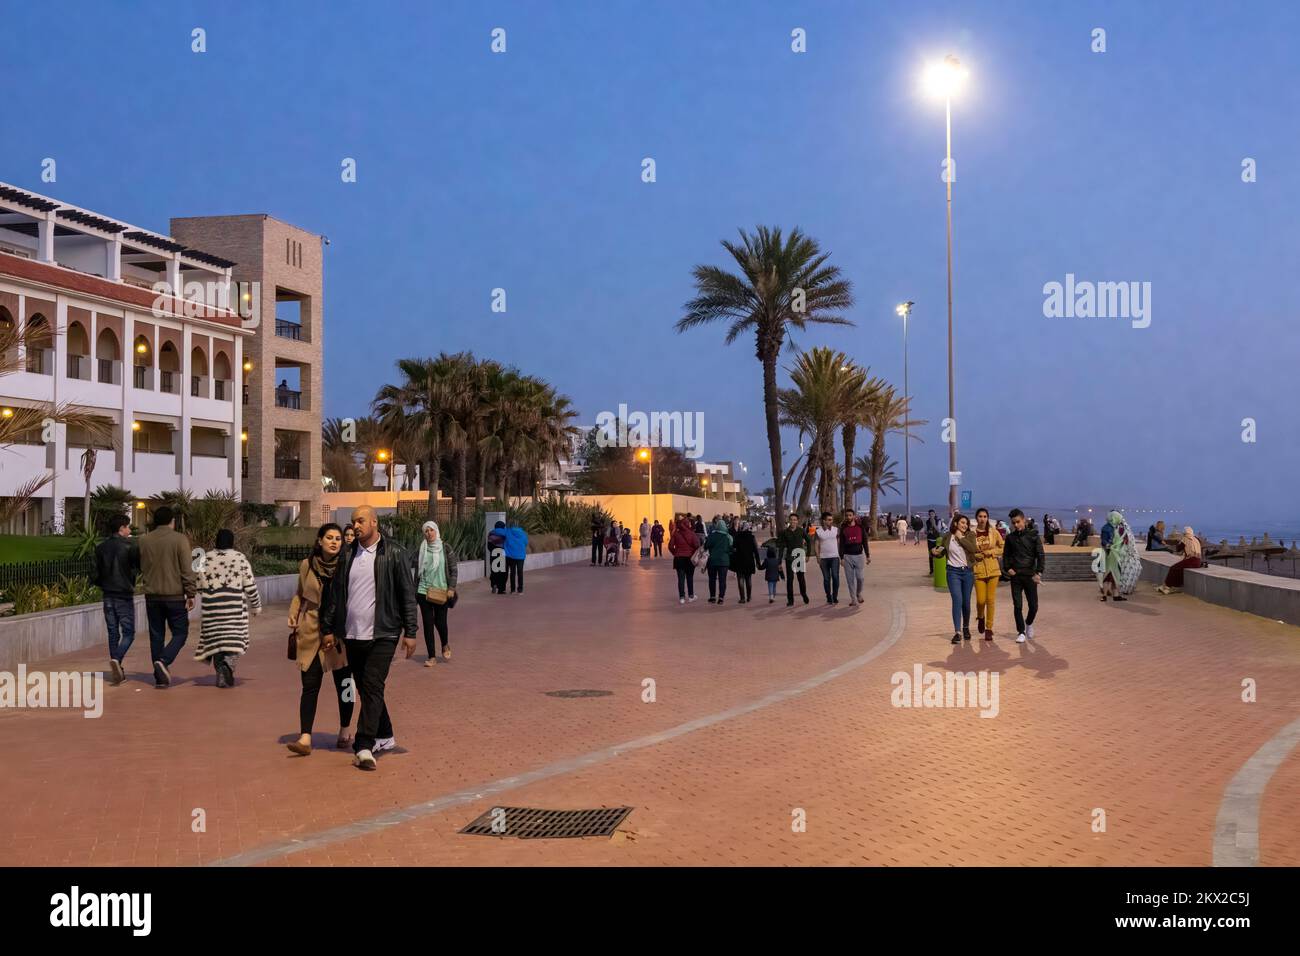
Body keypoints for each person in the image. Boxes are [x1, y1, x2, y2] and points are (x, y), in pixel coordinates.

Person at [319, 505, 418, 772]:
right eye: (353, 522)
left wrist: (411, 632)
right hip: (353, 634)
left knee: (372, 685)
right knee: (366, 688)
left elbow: (407, 595)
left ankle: (364, 745)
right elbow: (335, 595)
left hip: (383, 633)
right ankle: (385, 735)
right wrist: (328, 628)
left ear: (374, 522)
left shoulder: (394, 553)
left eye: (361, 521)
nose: (356, 526)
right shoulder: (348, 555)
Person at [287, 523, 354, 756]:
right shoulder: (306, 565)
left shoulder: (347, 566)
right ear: (320, 541)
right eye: (329, 537)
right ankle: (305, 737)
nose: (335, 541)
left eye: (338, 538)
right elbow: (299, 594)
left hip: (339, 632)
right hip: (311, 629)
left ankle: (345, 729)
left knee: (345, 684)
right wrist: (293, 613)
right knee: (309, 685)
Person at [193, 528, 261, 687]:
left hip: (211, 608)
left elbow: (198, 584)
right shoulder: (240, 558)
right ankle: (227, 666)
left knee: (217, 640)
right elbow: (250, 584)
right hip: (234, 607)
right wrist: (256, 605)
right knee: (234, 640)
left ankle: (220, 670)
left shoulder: (204, 558)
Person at [138, 506, 197, 688]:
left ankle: (159, 677)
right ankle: (164, 661)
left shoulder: (144, 540)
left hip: (152, 595)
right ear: (172, 521)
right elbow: (187, 569)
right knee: (180, 632)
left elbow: (142, 565)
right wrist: (191, 593)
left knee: (156, 635)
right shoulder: (179, 540)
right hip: (174, 595)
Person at [91, 513, 139, 685]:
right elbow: (136, 568)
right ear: (121, 529)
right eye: (127, 527)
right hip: (123, 595)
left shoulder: (100, 548)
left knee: (113, 632)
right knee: (129, 633)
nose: (129, 530)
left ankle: (116, 666)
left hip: (108, 594)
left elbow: (94, 574)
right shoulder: (128, 546)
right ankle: (117, 660)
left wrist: (103, 583)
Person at [412, 520, 458, 664]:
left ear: (436, 531)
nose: (429, 533)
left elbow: (453, 569)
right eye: (426, 531)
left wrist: (451, 588)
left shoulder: (445, 548)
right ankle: (431, 656)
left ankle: (445, 644)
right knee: (427, 624)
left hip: (441, 591)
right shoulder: (421, 549)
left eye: (431, 530)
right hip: (423, 591)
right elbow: (415, 568)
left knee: (440, 622)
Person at [932, 514, 977, 643]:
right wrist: (935, 553)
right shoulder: (947, 537)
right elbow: (942, 553)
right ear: (956, 523)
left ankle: (966, 627)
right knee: (957, 600)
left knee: (966, 603)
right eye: (962, 523)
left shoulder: (970, 535)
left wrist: (961, 537)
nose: (965, 525)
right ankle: (957, 632)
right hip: (953, 572)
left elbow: (973, 549)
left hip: (967, 572)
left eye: (966, 524)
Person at [1003, 509, 1045, 643]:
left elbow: (1040, 555)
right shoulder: (1010, 538)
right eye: (1013, 523)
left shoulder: (1033, 535)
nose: (1016, 525)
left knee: (1034, 606)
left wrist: (1039, 572)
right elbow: (1006, 555)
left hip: (1030, 575)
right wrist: (1008, 568)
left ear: (1024, 520)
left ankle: (1029, 623)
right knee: (1017, 605)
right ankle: (1020, 632)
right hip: (1016, 576)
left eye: (1018, 522)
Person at [972, 508, 1004, 641]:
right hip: (978, 570)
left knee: (990, 600)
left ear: (987, 518)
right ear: (976, 518)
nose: (982, 519)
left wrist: (991, 552)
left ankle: (989, 628)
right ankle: (980, 616)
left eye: (985, 516)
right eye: (980, 516)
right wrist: (975, 555)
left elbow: (1002, 547)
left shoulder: (993, 532)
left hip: (993, 570)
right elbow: (967, 550)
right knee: (980, 600)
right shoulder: (971, 534)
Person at [1098, 510, 1141, 602]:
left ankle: (1115, 595)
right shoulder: (1107, 528)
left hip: (1117, 554)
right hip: (1111, 554)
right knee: (1109, 575)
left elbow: (1124, 540)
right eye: (1118, 517)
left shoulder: (1117, 528)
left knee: (1115, 576)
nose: (1120, 519)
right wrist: (1109, 547)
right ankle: (1105, 595)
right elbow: (1104, 541)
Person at [776, 513, 810, 606]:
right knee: (790, 580)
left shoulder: (801, 531)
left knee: (801, 579)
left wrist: (808, 554)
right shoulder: (785, 532)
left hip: (799, 557)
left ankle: (804, 594)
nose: (793, 521)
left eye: (795, 520)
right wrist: (779, 562)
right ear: (789, 521)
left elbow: (809, 541)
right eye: (791, 519)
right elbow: (782, 547)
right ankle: (790, 600)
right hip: (789, 558)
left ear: (797, 521)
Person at [1156, 526, 1203, 594]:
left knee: (1173, 568)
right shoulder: (1196, 539)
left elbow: (1178, 549)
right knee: (1179, 569)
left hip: (1191, 560)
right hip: (1198, 561)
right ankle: (1176, 586)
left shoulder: (1185, 539)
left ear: (1185, 533)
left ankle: (1167, 586)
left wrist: (1179, 541)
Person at [839, 509, 869, 606]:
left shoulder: (860, 527)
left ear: (854, 516)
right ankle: (853, 599)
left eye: (850, 515)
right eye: (847, 515)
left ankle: (858, 593)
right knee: (850, 580)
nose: (848, 517)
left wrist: (868, 555)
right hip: (847, 557)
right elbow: (841, 544)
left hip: (859, 556)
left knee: (860, 578)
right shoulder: (843, 528)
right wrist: (842, 557)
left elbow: (865, 541)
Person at [668, 516, 700, 604]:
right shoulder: (692, 533)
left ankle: (681, 597)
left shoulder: (676, 534)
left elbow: (670, 546)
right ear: (687, 524)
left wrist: (676, 553)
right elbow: (697, 545)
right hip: (689, 558)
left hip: (679, 559)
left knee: (681, 579)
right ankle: (691, 596)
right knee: (690, 577)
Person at [815, 512, 842, 605]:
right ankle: (828, 596)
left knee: (835, 576)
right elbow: (816, 544)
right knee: (826, 578)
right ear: (824, 521)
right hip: (824, 558)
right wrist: (818, 557)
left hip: (835, 557)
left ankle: (835, 596)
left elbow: (839, 543)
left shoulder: (836, 530)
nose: (831, 521)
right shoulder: (818, 531)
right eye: (829, 520)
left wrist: (841, 555)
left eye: (832, 519)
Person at [730, 521, 760, 604]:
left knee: (740, 579)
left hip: (739, 561)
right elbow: (756, 551)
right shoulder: (752, 537)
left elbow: (733, 548)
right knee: (748, 579)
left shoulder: (737, 536)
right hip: (749, 561)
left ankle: (742, 598)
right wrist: (758, 562)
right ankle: (749, 597)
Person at [704, 517, 733, 604]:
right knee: (722, 580)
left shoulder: (712, 535)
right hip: (724, 561)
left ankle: (712, 597)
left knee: (712, 579)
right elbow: (730, 549)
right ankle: (721, 597)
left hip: (712, 561)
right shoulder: (728, 537)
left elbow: (706, 546)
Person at [505, 519, 529, 592]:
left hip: (511, 556)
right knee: (520, 572)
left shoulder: (508, 532)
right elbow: (526, 543)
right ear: (518, 525)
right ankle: (520, 589)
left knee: (512, 572)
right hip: (521, 556)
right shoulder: (523, 533)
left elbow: (504, 541)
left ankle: (512, 589)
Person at [487, 520, 508, 594]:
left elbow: (489, 546)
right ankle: (501, 589)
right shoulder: (506, 533)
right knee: (502, 572)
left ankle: (494, 584)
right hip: (502, 553)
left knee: (494, 570)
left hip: (494, 553)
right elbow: (507, 544)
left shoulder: (491, 533)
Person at [925, 510, 941, 574]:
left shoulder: (938, 521)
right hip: (930, 539)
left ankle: (938, 569)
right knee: (931, 555)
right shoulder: (927, 522)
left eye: (932, 514)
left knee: (938, 554)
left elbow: (939, 530)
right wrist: (927, 531)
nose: (931, 515)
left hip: (937, 540)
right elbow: (925, 531)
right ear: (929, 515)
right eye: (930, 514)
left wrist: (934, 524)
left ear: (935, 514)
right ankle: (932, 570)